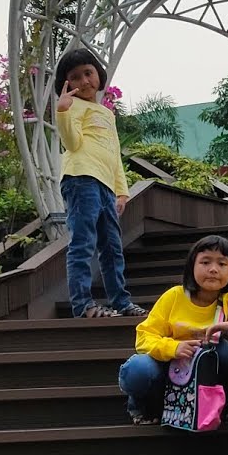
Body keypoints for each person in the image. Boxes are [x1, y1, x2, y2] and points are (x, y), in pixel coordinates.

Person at [118, 235, 228, 424]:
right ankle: (143, 408)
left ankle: (217, 406)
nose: (213, 269)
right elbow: (144, 336)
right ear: (192, 266)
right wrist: (174, 348)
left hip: (203, 369)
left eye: (222, 264)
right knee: (138, 368)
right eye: (205, 262)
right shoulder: (174, 296)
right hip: (167, 366)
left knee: (227, 353)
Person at [55, 48, 145, 318]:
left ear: (98, 74)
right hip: (81, 179)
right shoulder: (72, 106)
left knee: (112, 247)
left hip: (105, 186)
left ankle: (121, 302)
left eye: (88, 73)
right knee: (83, 243)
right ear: (66, 83)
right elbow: (72, 143)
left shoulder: (106, 113)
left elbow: (114, 153)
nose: (84, 81)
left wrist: (121, 191)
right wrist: (62, 112)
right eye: (75, 77)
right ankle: (83, 305)